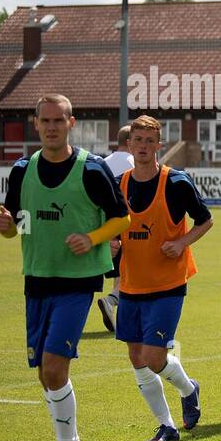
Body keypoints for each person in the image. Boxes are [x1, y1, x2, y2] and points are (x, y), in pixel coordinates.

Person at [0, 94, 130, 441]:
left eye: (59, 120)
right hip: (36, 279)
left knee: (55, 370)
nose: (51, 127)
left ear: (72, 123)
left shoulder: (91, 169)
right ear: (36, 124)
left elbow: (122, 217)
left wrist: (92, 239)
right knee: (45, 375)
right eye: (45, 121)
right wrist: (4, 226)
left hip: (77, 282)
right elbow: (18, 225)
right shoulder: (22, 171)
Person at [114, 116, 213, 441]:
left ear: (159, 145)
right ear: (129, 145)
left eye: (148, 141)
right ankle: (166, 426)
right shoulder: (121, 184)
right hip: (130, 283)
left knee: (154, 358)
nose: (142, 146)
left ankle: (188, 388)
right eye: (137, 140)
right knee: (135, 357)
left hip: (168, 284)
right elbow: (114, 226)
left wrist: (182, 242)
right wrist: (112, 241)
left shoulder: (176, 182)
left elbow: (205, 220)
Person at [96, 124, 135, 332]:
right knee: (131, 274)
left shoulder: (102, 163)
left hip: (105, 228)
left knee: (119, 274)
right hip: (129, 227)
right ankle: (111, 301)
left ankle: (113, 315)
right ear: (131, 141)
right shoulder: (136, 163)